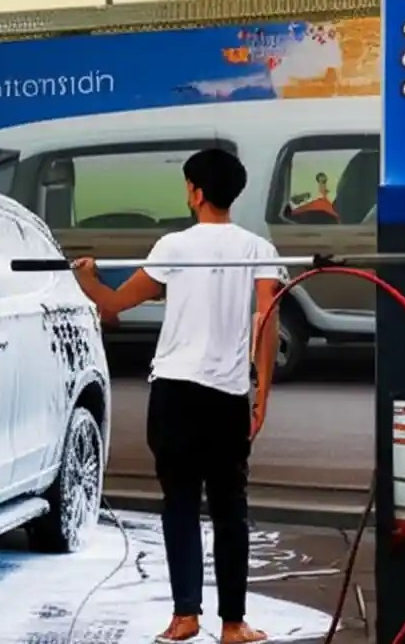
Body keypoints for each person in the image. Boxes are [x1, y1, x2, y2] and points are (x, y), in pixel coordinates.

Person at [69, 148, 283, 644]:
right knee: (231, 510)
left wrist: (87, 279)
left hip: (175, 397)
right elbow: (266, 323)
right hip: (227, 397)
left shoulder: (173, 246)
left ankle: (185, 617)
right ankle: (233, 624)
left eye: (188, 186)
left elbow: (114, 307)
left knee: (181, 503)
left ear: (197, 192)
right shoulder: (258, 248)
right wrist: (263, 394)